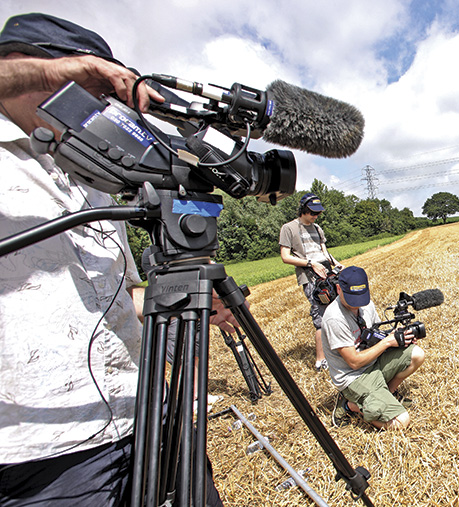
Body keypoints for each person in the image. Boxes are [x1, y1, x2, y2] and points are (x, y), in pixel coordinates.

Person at [0, 13, 234, 506]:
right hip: (48, 457)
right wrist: (61, 72)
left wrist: (187, 308)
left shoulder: (93, 176)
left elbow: (126, 292)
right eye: (89, 90)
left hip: (147, 413)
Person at [321, 266, 425, 430]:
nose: (358, 304)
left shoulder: (366, 304)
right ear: (339, 288)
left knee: (416, 354)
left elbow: (378, 335)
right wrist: (387, 343)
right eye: (352, 298)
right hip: (354, 377)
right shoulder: (334, 318)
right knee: (401, 422)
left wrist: (398, 339)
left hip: (374, 363)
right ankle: (350, 405)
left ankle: (386, 393)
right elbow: (354, 362)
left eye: (361, 297)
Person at [279, 192, 343, 371]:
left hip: (326, 273)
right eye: (312, 213)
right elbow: (285, 257)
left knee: (338, 309)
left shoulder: (317, 228)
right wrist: (310, 263)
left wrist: (336, 264)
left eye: (317, 213)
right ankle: (320, 361)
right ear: (303, 210)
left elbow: (324, 252)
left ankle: (337, 349)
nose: (315, 216)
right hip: (310, 276)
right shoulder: (289, 228)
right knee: (321, 315)